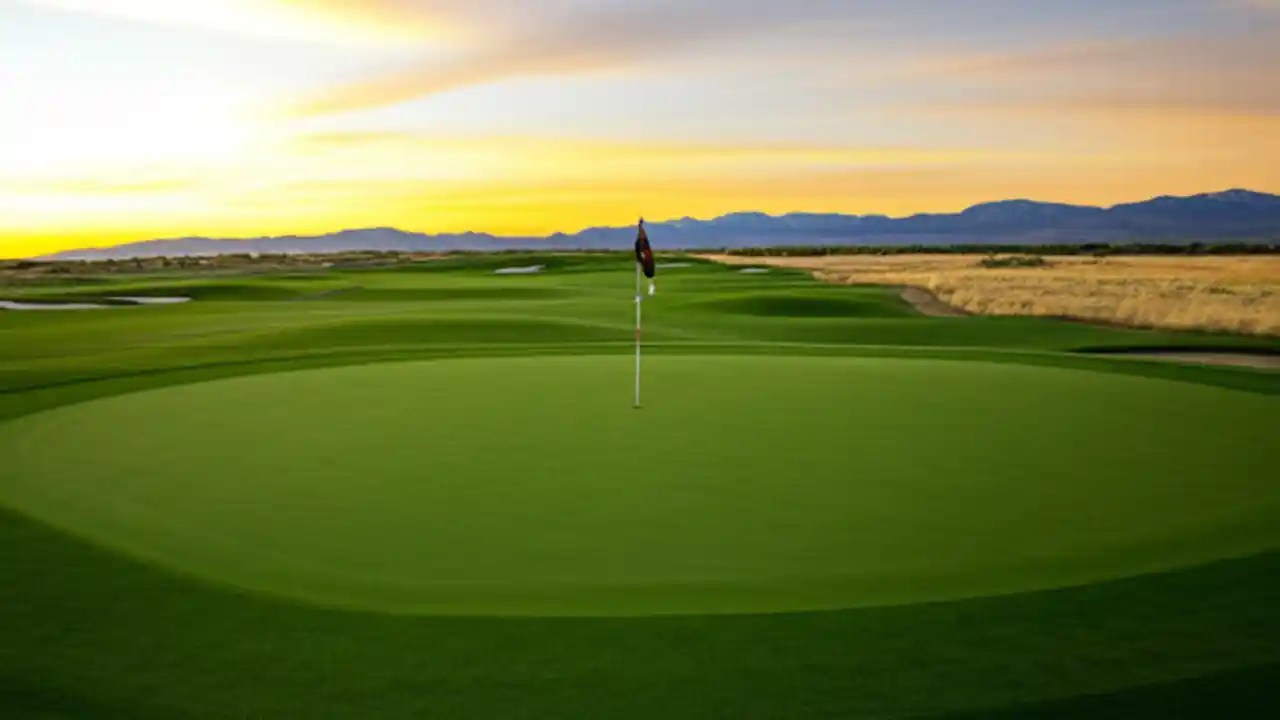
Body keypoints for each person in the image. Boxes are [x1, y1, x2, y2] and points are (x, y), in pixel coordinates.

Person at [635, 218, 656, 296]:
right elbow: (638, 251)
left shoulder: (643, 243)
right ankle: (640, 292)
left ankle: (651, 288)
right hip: (643, 259)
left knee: (649, 274)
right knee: (644, 274)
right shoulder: (640, 242)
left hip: (646, 259)